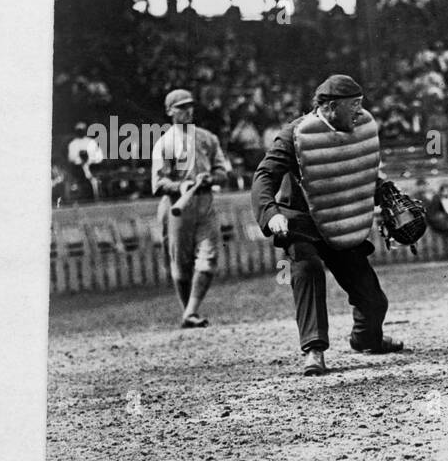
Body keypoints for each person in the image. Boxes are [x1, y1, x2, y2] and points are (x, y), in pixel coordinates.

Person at [251, 74, 405, 376]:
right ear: (332, 107)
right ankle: (314, 350)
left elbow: (360, 172)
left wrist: (384, 191)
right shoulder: (294, 135)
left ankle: (367, 339)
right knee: (307, 270)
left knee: (373, 299)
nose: (360, 112)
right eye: (354, 105)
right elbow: (264, 176)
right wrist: (271, 214)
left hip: (339, 220)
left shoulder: (359, 129)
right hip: (299, 222)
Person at [150, 89, 231, 328]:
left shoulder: (208, 138)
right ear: (169, 111)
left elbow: (222, 172)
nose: (187, 111)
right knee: (181, 264)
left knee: (209, 256)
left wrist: (211, 178)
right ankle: (189, 312)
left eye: (190, 106)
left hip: (204, 202)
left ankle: (191, 311)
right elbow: (157, 183)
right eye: (181, 107)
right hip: (176, 206)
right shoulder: (164, 143)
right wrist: (180, 184)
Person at [66, 123, 103, 202]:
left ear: (85, 130)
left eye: (82, 130)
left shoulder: (91, 142)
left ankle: (97, 200)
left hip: (92, 168)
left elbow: (99, 157)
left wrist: (90, 161)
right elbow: (72, 158)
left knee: (95, 183)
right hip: (78, 172)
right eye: (79, 130)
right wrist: (81, 162)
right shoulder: (73, 144)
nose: (80, 132)